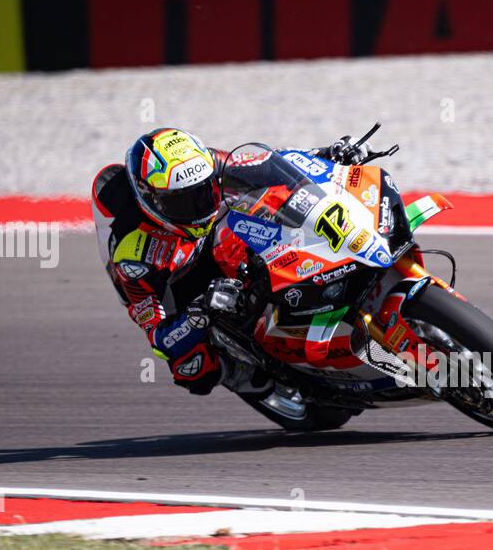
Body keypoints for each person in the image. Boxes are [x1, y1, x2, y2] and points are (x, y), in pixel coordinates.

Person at [90, 127, 368, 394]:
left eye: (203, 191)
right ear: (152, 201)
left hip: (209, 241)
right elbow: (159, 338)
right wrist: (197, 313)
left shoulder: (205, 165)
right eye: (183, 202)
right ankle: (241, 375)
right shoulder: (134, 259)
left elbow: (269, 164)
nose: (200, 206)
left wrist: (326, 153)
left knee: (263, 204)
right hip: (173, 278)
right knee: (192, 368)